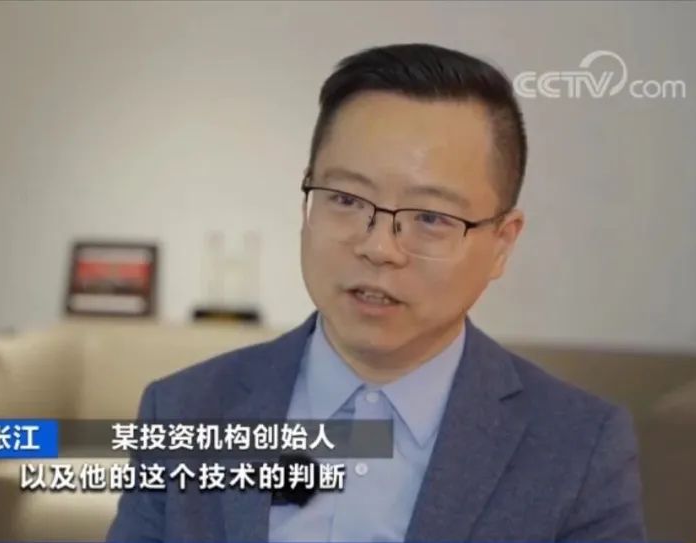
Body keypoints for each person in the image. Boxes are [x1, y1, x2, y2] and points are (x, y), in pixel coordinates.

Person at [106, 43, 646, 542]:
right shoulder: (183, 409)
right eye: (345, 199)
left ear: (502, 243)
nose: (379, 247)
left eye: (430, 217)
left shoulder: (579, 447)